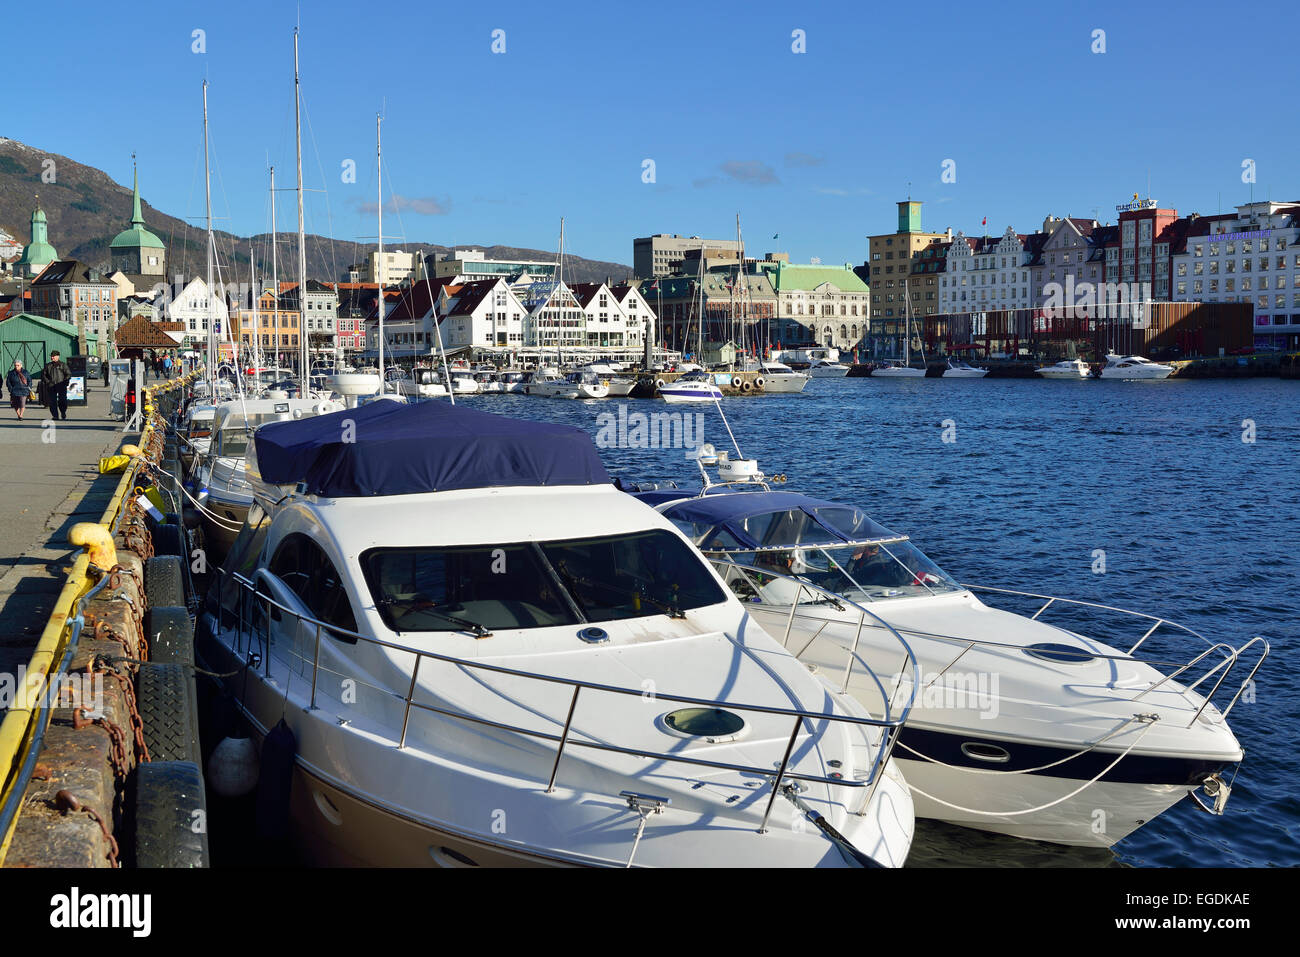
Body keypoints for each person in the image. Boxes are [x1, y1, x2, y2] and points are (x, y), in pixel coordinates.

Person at [41, 350, 71, 421]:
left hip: (61, 385)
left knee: (62, 401)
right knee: (52, 402)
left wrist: (65, 382)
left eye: (53, 356)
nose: (52, 357)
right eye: (51, 356)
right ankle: (55, 416)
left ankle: (63, 412)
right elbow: (43, 375)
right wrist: (48, 382)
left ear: (58, 356)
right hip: (51, 386)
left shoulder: (63, 365)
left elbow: (68, 374)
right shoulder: (48, 365)